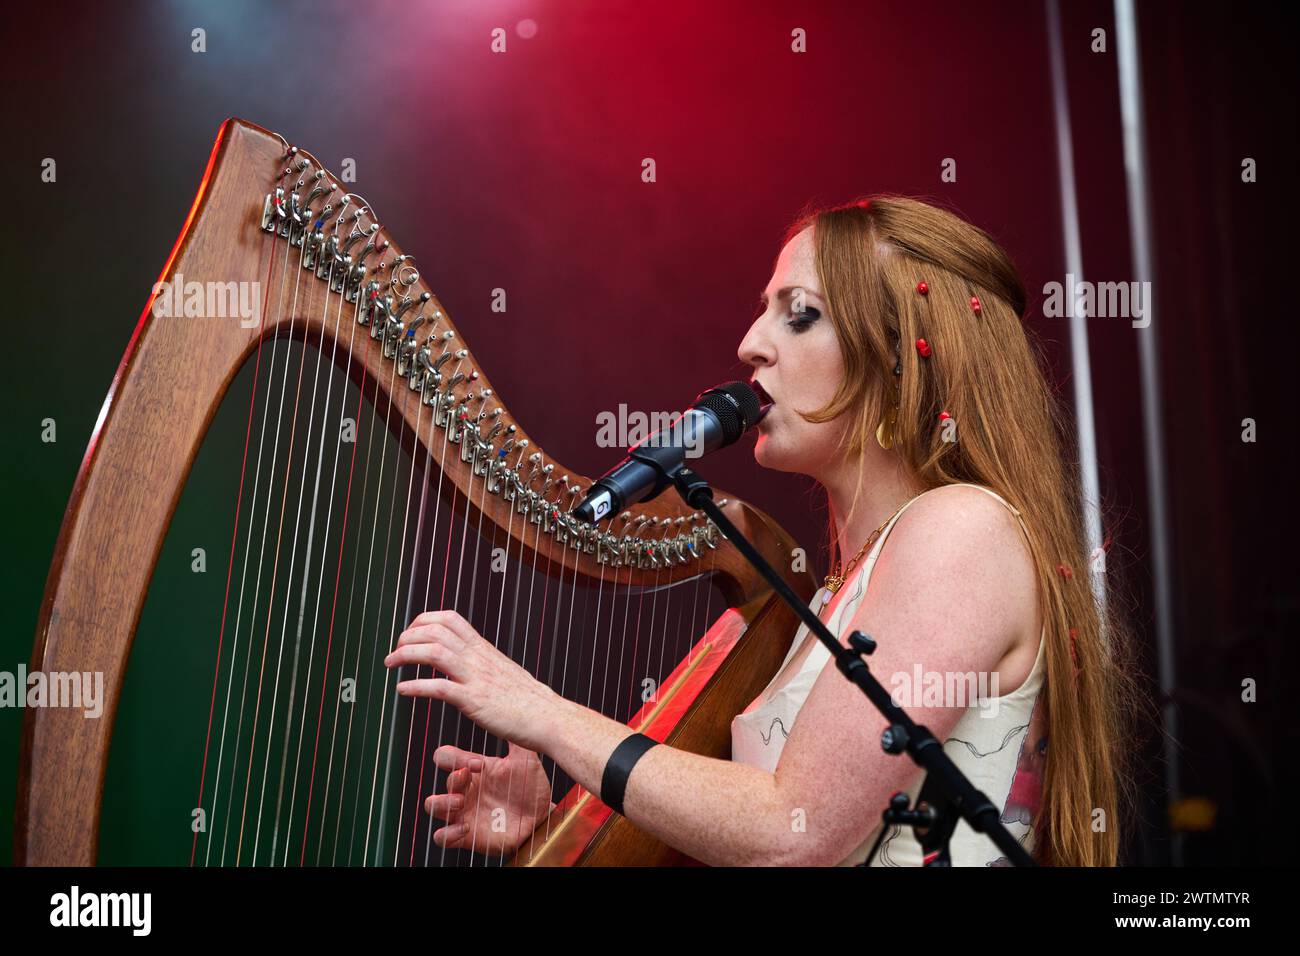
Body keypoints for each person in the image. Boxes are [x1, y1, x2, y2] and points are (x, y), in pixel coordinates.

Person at [384, 196, 1142, 866]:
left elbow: (791, 832)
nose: (750, 343)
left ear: (900, 358)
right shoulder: (845, 586)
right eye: (764, 309)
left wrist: (543, 714)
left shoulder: (961, 529)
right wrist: (552, 829)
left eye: (799, 314)